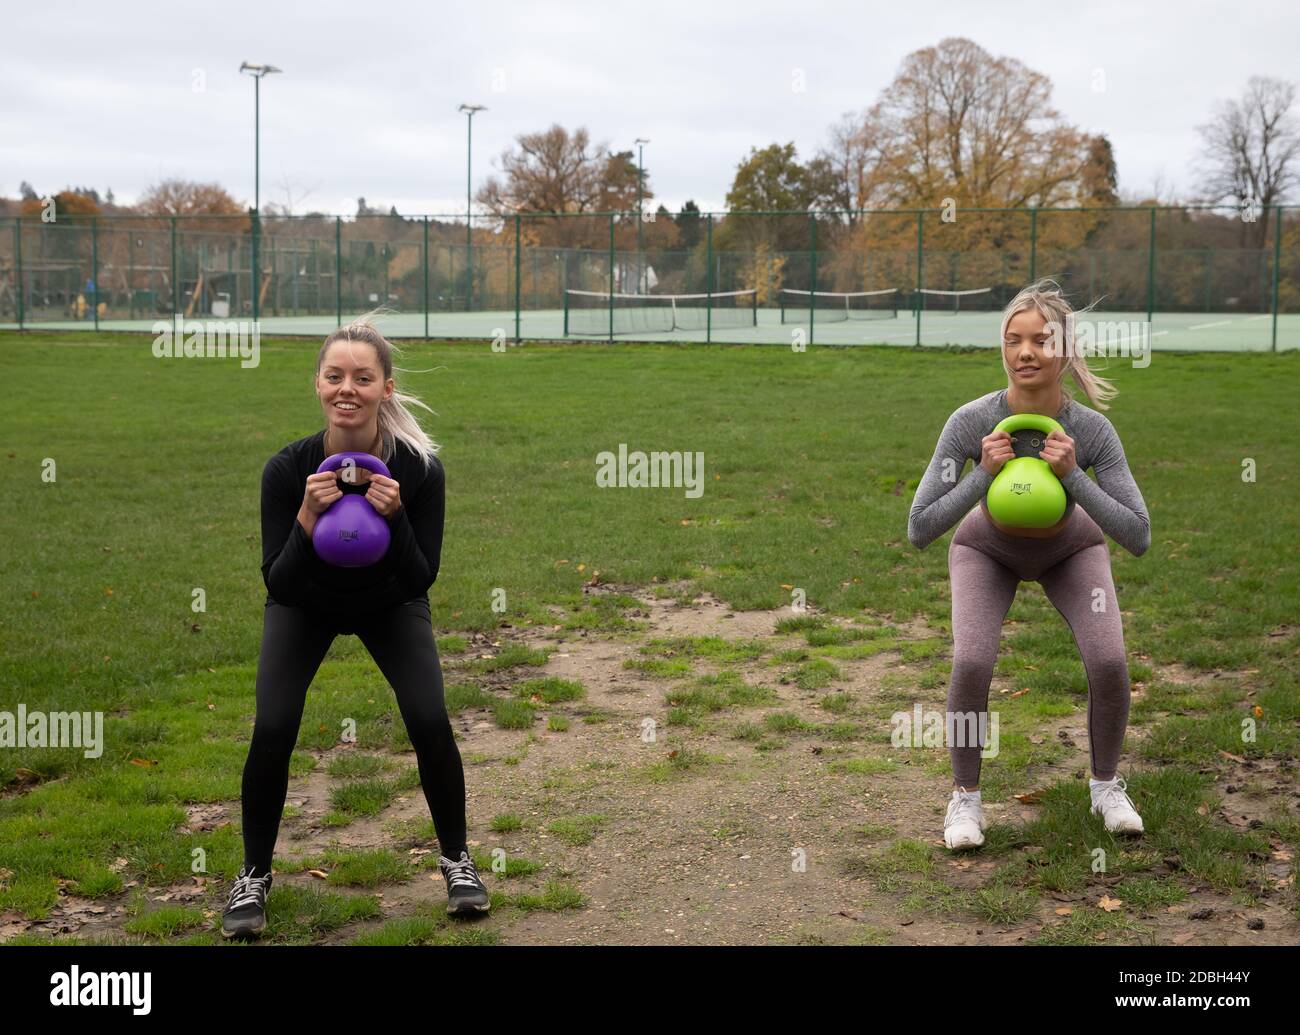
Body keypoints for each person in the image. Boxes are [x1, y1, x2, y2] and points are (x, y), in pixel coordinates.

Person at [222, 314, 489, 939]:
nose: (348, 388)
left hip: (388, 602)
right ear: (318, 383)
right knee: (275, 722)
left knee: (428, 716)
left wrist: (393, 521)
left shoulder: (419, 472)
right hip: (306, 602)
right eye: (335, 375)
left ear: (385, 389)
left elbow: (419, 579)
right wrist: (308, 520)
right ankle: (253, 877)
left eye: (363, 378)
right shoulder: (287, 471)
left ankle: (458, 861)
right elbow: (280, 584)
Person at [907, 280, 1151, 850]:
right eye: (1014, 340)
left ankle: (1106, 787)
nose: (1025, 352)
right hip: (985, 549)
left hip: (1072, 548)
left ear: (1063, 349)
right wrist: (981, 476)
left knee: (1110, 659)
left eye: (1040, 340)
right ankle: (964, 801)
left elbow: (1137, 534)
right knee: (971, 660)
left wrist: (1072, 478)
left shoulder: (1091, 431)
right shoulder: (971, 422)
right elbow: (920, 526)